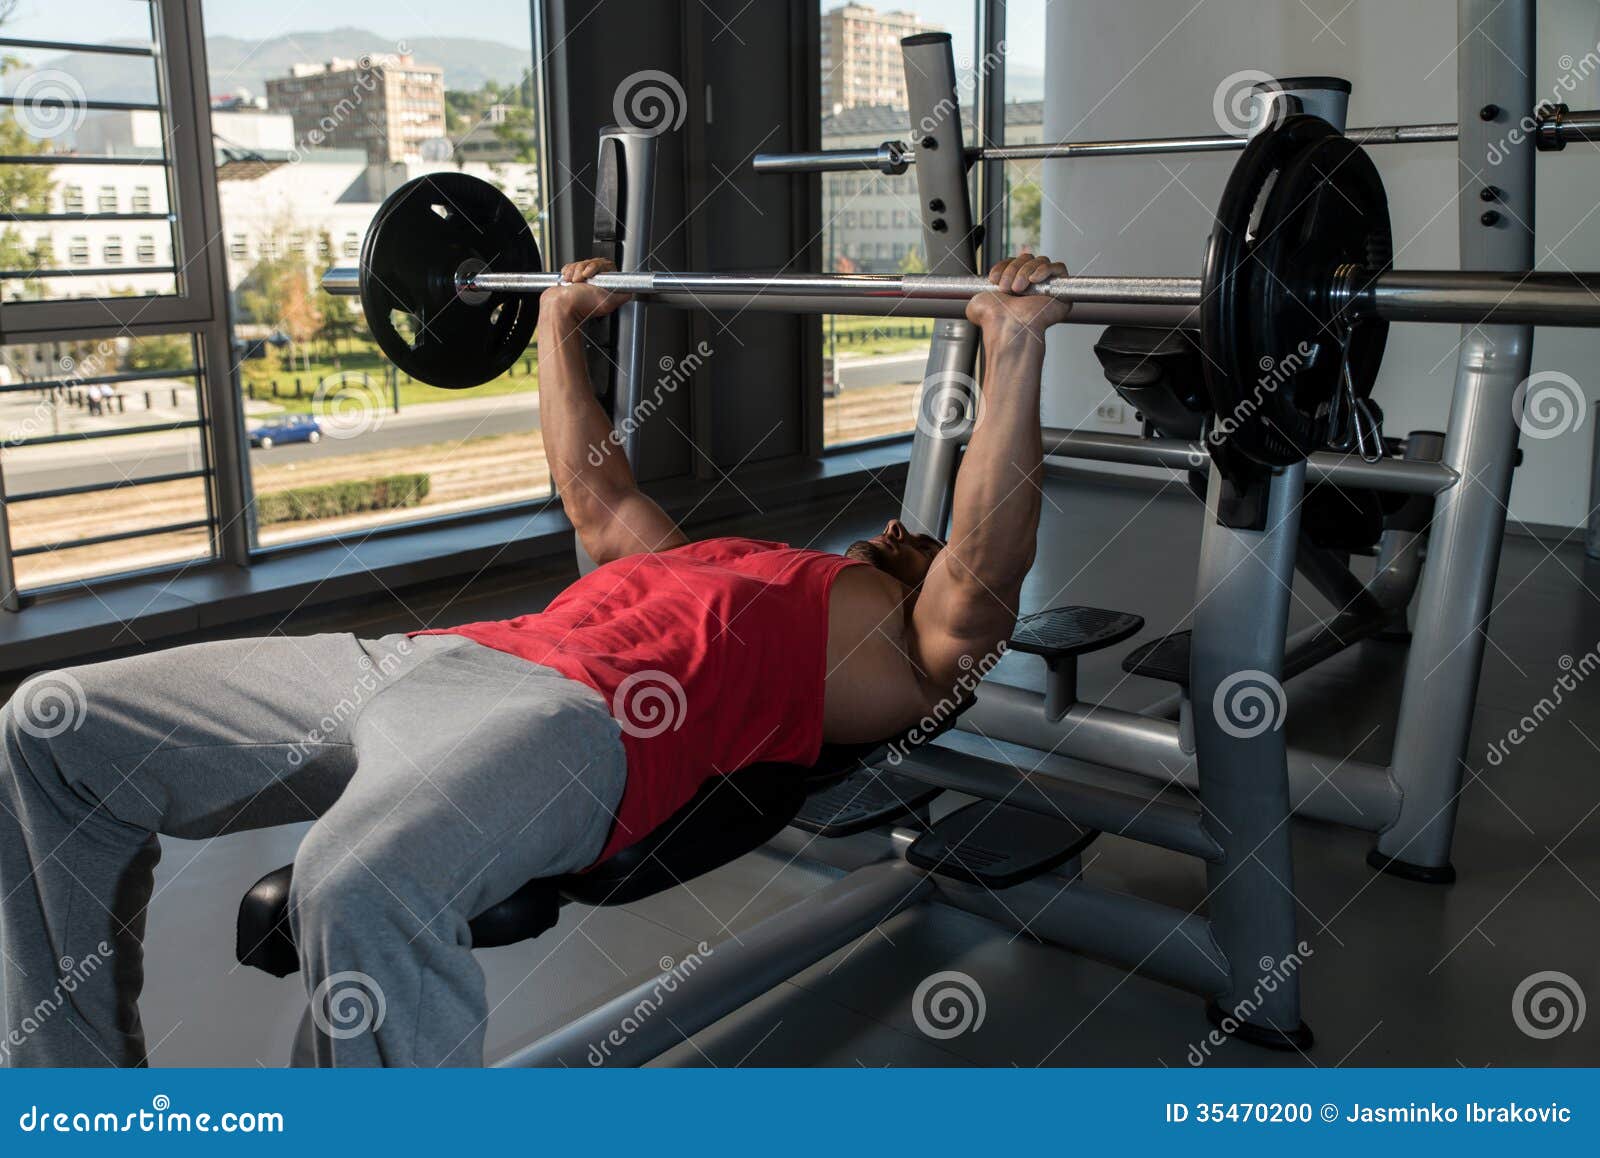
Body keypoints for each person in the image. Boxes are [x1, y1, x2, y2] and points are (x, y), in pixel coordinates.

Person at [0, 253, 1068, 1068]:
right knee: (48, 728)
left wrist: (1011, 346)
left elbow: (979, 574)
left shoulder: (907, 649)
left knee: (352, 886)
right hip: (424, 659)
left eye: (920, 545)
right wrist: (556, 324)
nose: (901, 531)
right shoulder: (726, 562)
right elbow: (595, 495)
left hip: (568, 727)